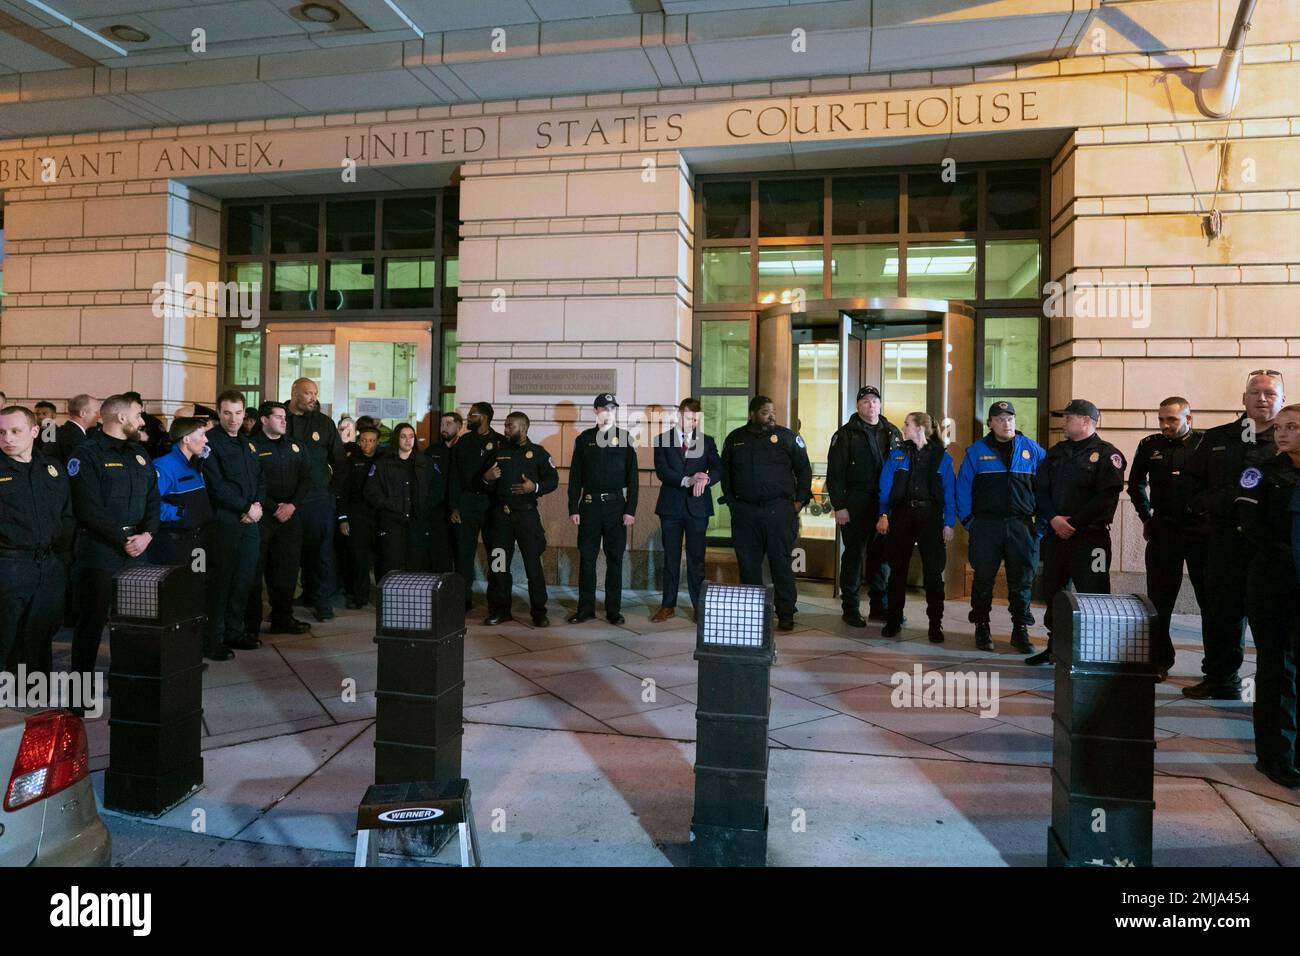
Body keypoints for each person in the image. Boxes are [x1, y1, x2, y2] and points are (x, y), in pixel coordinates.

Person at [1182, 370, 1285, 699]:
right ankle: (1219, 678)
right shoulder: (1218, 438)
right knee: (1220, 614)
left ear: (1281, 399)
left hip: (1270, 548)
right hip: (1224, 543)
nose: (1262, 398)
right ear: (1243, 398)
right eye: (1255, 392)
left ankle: (1272, 687)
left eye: (1270, 393)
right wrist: (1214, 507)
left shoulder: (1289, 441)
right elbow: (1190, 486)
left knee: (1271, 620)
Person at [1025, 399, 1126, 666]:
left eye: (1068, 417)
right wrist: (1055, 519)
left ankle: (1096, 651)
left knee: (1094, 594)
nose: (1063, 422)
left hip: (1091, 538)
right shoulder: (1056, 453)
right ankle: (1056, 647)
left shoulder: (1107, 454)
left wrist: (1075, 523)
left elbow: (1106, 498)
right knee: (1054, 592)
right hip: (1057, 536)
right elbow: (1040, 490)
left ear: (1085, 420)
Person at [68, 394, 160, 678]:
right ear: (121, 418)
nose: (142, 421)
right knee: (91, 625)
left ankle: (124, 684)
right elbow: (87, 508)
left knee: (133, 623)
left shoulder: (139, 454)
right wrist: (122, 541)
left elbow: (153, 499)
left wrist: (148, 534)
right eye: (138, 415)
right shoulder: (87, 454)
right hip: (100, 552)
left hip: (138, 549)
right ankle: (79, 693)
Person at [1235, 403, 1300, 788]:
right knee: (1276, 670)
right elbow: (1250, 528)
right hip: (1273, 584)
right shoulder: (1258, 472)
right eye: (1279, 428)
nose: (1282, 433)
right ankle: (1275, 755)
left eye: (1292, 427)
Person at [955, 400, 1044, 652]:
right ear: (991, 423)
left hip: (1022, 527)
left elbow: (1047, 488)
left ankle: (1020, 629)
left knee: (1022, 580)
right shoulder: (976, 451)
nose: (1007, 423)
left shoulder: (1032, 450)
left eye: (1010, 418)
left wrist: (1042, 524)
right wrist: (969, 520)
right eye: (1001, 419)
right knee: (983, 578)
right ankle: (982, 626)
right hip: (986, 526)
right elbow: (962, 488)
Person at [1127, 397, 1207, 679]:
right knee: (1160, 600)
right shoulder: (1150, 445)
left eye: (1172, 419)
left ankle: (1215, 668)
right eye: (1161, 419)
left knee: (1210, 600)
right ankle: (1161, 660)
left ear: (1189, 418)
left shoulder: (1205, 444)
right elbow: (1135, 485)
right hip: (1163, 531)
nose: (1165, 425)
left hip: (1200, 533)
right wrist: (1146, 516)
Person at [721, 395, 812, 631]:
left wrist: (800, 502)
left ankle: (785, 613)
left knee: (781, 564)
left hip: (779, 511)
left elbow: (804, 470)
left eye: (773, 411)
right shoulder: (735, 439)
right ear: (752, 414)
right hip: (746, 513)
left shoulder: (788, 438)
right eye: (765, 412)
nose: (771, 416)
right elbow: (726, 473)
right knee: (749, 565)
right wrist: (732, 503)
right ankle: (755, 612)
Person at [0, 405, 74, 679]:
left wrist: (62, 560)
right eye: (2, 432)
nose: (7, 438)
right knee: (5, 631)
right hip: (9, 563)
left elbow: (66, 515)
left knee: (41, 631)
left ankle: (33, 690)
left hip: (48, 564)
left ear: (34, 431)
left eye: (15, 431)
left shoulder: (51, 469)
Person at [875, 412, 957, 642]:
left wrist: (949, 523)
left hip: (930, 517)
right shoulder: (898, 453)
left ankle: (935, 625)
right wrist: (884, 514)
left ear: (920, 428)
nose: (904, 427)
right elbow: (885, 486)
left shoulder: (942, 457)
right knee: (897, 570)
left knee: (933, 573)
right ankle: (893, 620)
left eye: (907, 424)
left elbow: (949, 492)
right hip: (901, 515)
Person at [827, 385, 903, 627]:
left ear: (880, 405)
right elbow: (835, 474)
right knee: (854, 555)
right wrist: (839, 506)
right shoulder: (845, 434)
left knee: (881, 557)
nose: (871, 406)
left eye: (875, 401)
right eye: (866, 402)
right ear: (858, 406)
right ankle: (850, 607)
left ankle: (878, 606)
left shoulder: (892, 432)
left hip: (883, 503)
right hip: (855, 502)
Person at [202, 390, 265, 660]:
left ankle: (233, 631)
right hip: (225, 521)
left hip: (251, 520)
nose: (234, 419)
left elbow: (260, 477)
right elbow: (216, 485)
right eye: (227, 413)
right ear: (219, 413)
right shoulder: (210, 443)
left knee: (243, 580)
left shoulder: (246, 443)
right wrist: (245, 508)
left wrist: (258, 506)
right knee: (221, 582)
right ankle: (213, 639)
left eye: (238, 413)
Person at [568, 393, 639, 625]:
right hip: (588, 507)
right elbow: (575, 477)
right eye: (604, 408)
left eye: (613, 408)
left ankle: (613, 611)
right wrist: (573, 508)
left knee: (615, 560)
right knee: (587, 558)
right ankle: (585, 608)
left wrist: (630, 510)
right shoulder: (584, 439)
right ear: (596, 411)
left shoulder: (625, 438)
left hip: (615, 508)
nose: (609, 412)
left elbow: (633, 479)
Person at [482, 411, 558, 626]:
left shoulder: (538, 453)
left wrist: (533, 487)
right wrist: (486, 479)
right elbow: (486, 484)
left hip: (526, 517)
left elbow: (552, 480)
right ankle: (500, 610)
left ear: (523, 428)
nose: (505, 429)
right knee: (498, 566)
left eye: (510, 426)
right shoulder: (499, 452)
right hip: (500, 518)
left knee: (533, 565)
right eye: (505, 426)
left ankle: (539, 612)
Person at [651, 397, 721, 623]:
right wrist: (687, 480)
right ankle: (667, 606)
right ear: (680, 415)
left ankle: (698, 607)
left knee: (697, 559)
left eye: (697, 419)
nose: (693, 422)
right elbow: (662, 471)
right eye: (691, 418)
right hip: (670, 508)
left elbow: (719, 469)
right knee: (670, 558)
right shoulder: (662, 440)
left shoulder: (707, 441)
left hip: (698, 508)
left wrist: (706, 478)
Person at [246, 402, 312, 639]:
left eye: (285, 417)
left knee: (287, 567)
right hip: (264, 515)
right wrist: (275, 508)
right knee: (256, 568)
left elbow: (307, 478)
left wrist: (292, 505)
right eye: (278, 417)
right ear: (264, 420)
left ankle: (283, 617)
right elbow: (253, 483)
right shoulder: (252, 446)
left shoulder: (296, 446)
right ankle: (250, 623)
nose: (284, 421)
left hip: (291, 515)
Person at [285, 377, 345, 622]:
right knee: (287, 554)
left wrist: (330, 492)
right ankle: (284, 607)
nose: (313, 398)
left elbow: (340, 462)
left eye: (315, 393)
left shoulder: (324, 423)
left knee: (320, 553)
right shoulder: (279, 419)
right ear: (294, 393)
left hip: (318, 500)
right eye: (308, 393)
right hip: (286, 501)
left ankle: (321, 601)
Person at [449, 402, 503, 610]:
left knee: (496, 555)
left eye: (473, 415)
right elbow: (454, 476)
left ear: (485, 417)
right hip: (467, 503)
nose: (469, 418)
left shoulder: (500, 442)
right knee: (464, 555)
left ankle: (496, 602)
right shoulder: (463, 442)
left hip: (491, 506)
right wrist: (454, 506)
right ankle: (463, 601)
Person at [365, 422, 439, 573]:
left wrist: (425, 506)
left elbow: (437, 488)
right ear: (396, 439)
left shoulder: (425, 462)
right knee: (392, 565)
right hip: (392, 523)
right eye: (403, 436)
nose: (408, 440)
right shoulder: (383, 463)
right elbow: (370, 491)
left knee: (416, 565)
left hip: (417, 522)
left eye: (411, 436)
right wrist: (389, 504)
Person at [147, 417, 213, 566]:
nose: (206, 440)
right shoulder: (163, 466)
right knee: (176, 586)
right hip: (174, 542)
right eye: (202, 435)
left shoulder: (196, 464)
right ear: (187, 439)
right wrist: (180, 512)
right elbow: (151, 503)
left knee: (197, 583)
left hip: (197, 540)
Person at [338, 424, 381, 608]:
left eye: (371, 441)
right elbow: (343, 491)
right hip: (357, 516)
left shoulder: (384, 460)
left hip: (379, 516)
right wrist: (343, 518)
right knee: (359, 559)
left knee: (381, 558)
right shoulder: (351, 461)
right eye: (363, 440)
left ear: (377, 442)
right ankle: (359, 597)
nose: (367, 444)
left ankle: (383, 598)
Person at [424, 422, 454, 573]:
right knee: (438, 548)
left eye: (449, 424)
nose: (443, 427)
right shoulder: (432, 450)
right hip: (436, 509)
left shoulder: (464, 448)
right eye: (441, 424)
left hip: (458, 508)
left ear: (460, 426)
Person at [122, 390, 170, 459]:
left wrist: (148, 439)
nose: (142, 422)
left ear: (141, 407)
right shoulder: (122, 421)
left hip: (150, 458)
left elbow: (165, 441)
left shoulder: (153, 421)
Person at [56, 394, 100, 463]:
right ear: (82, 413)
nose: (99, 416)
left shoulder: (63, 431)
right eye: (96, 413)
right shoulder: (74, 437)